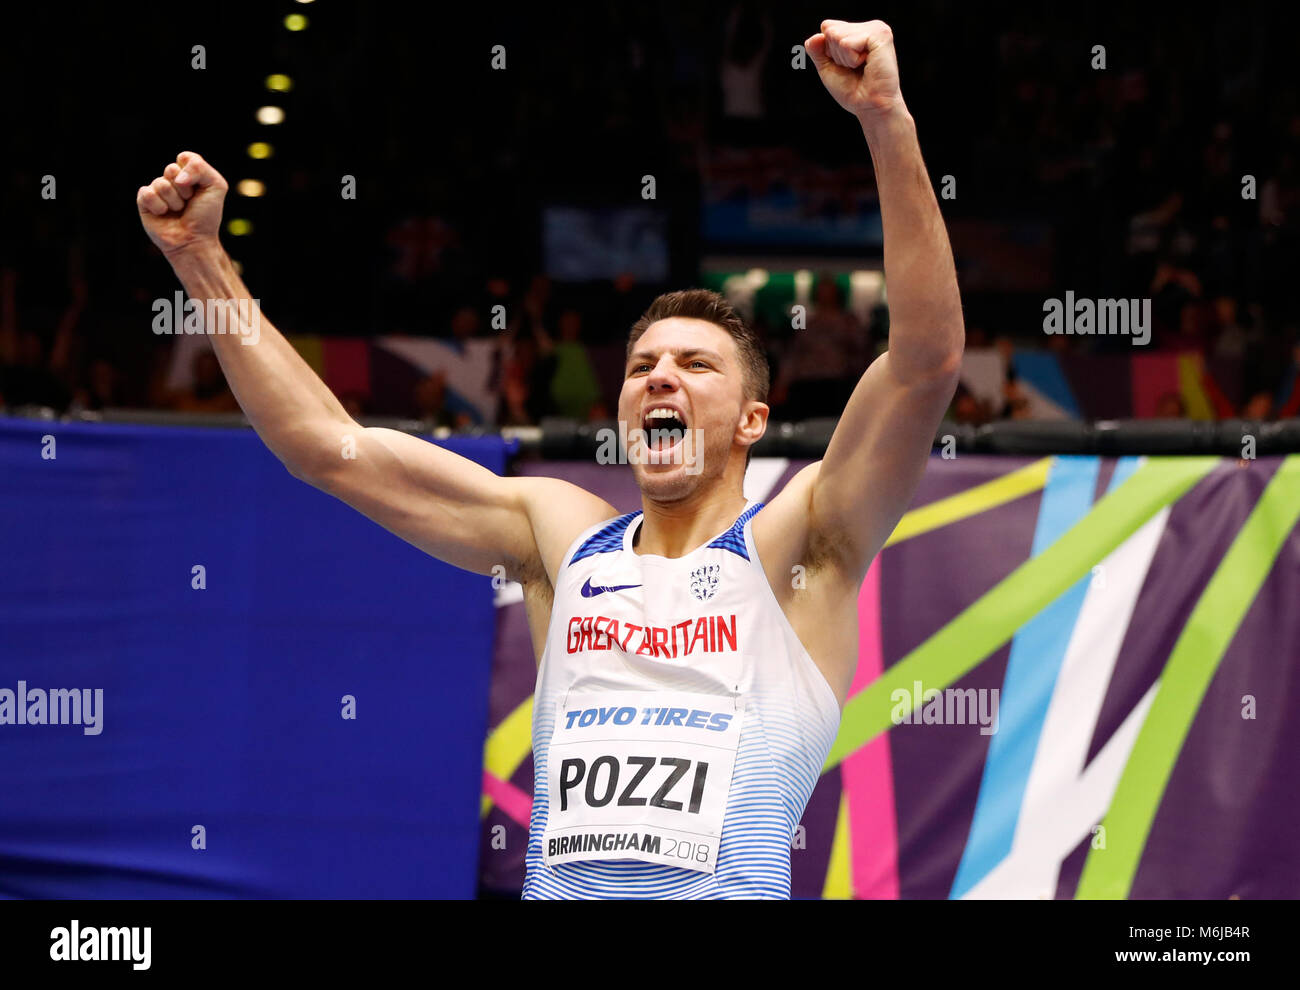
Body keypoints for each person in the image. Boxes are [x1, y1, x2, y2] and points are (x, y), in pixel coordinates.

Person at [134, 19, 962, 899]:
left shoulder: (803, 544)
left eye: (694, 365)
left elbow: (925, 362)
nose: (659, 380)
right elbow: (327, 450)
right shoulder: (561, 538)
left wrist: (885, 119)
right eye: (643, 366)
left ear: (754, 419)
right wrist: (201, 262)